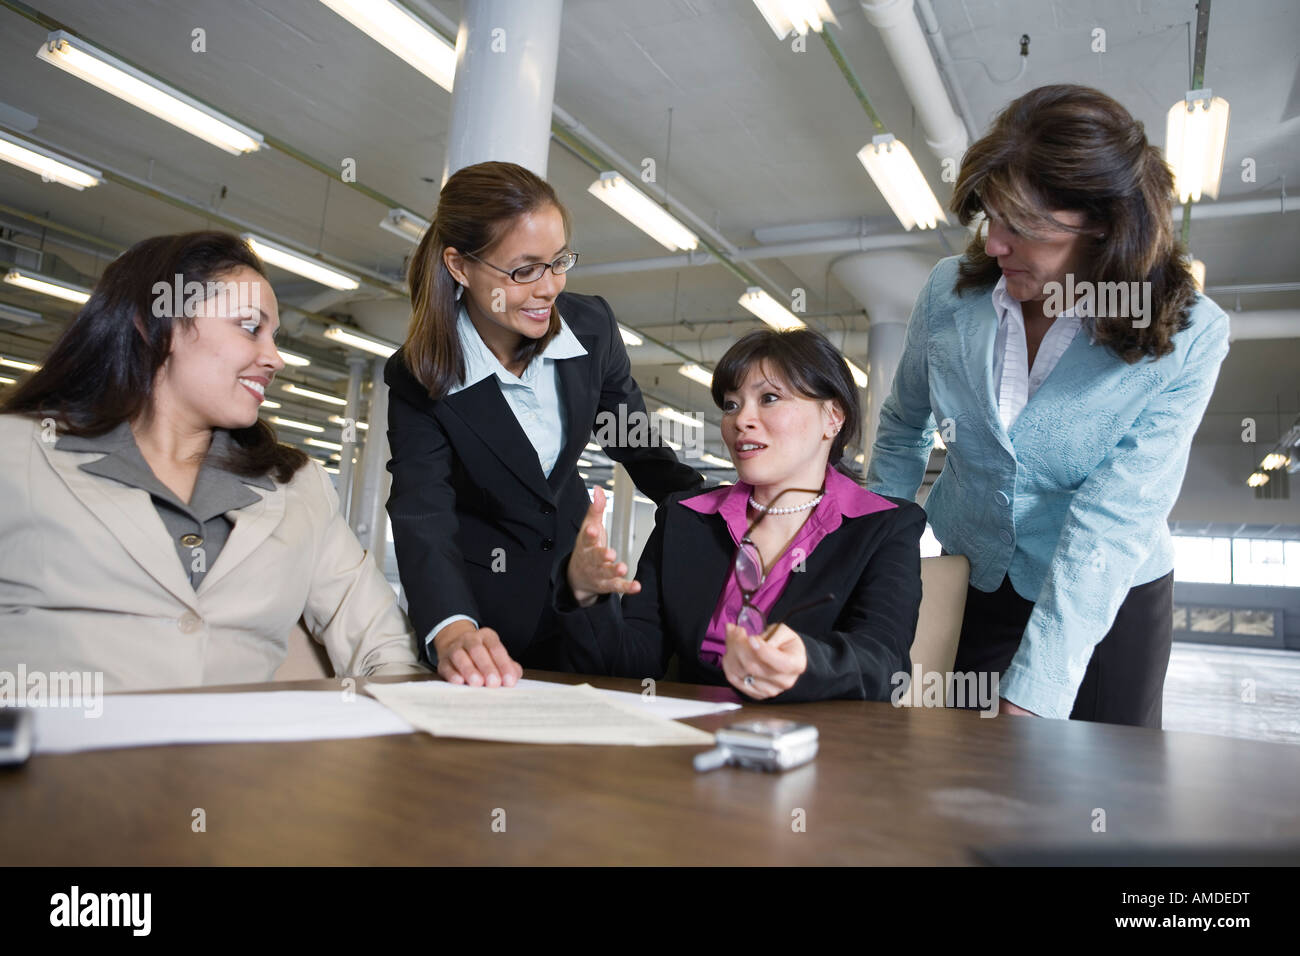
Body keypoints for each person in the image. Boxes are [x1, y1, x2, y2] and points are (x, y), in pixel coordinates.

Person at [866, 84, 1231, 727]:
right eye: (990, 218)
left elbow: (1112, 522)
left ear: (1102, 223)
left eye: (1023, 226)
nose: (996, 244)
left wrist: (1033, 692)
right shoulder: (950, 293)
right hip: (973, 574)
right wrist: (882, 556)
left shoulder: (1188, 335)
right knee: (966, 778)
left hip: (1109, 595)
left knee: (1093, 793)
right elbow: (902, 426)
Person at [0, 231, 425, 691]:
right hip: (56, 757)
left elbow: (385, 646)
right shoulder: (17, 453)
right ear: (155, 321)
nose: (275, 358)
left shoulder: (297, 485)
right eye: (249, 327)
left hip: (237, 760)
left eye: (274, 336)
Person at [385, 161, 702, 688]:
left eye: (558, 263)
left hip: (580, 595)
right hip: (485, 616)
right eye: (524, 270)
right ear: (460, 267)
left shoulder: (592, 329)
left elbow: (637, 446)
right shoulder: (420, 376)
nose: (549, 287)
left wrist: (726, 511)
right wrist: (453, 626)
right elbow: (423, 512)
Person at [553, 328, 925, 702]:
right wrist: (586, 594)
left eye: (769, 398)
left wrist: (807, 662)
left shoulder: (884, 526)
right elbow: (632, 665)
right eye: (731, 405)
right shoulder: (683, 519)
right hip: (685, 740)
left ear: (832, 417)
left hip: (814, 744)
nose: (740, 420)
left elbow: (884, 662)